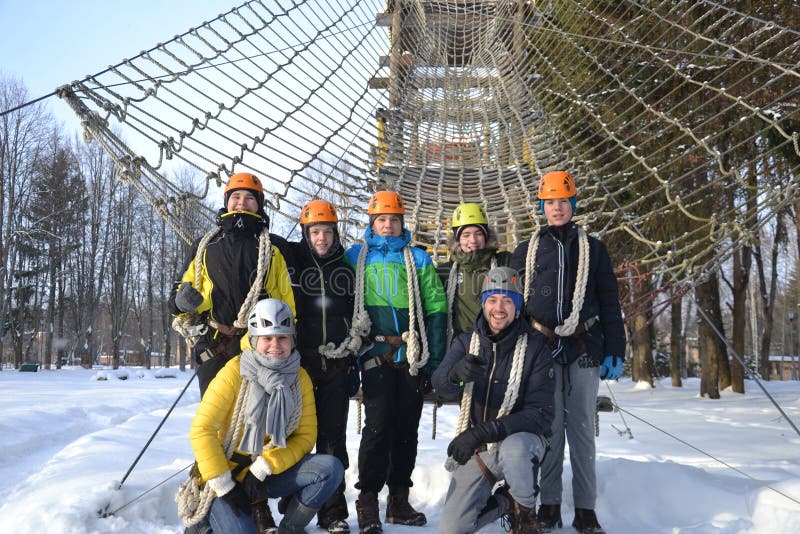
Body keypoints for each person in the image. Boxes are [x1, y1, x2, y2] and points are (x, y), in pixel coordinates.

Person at [509, 171, 626, 534]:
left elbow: (609, 300)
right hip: (541, 349)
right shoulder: (526, 251)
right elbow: (513, 304)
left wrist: (615, 348)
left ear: (573, 205)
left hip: (584, 345)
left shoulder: (593, 247)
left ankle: (586, 509)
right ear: (541, 207)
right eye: (550, 202)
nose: (557, 208)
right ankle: (550, 504)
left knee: (580, 430)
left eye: (563, 201)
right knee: (549, 429)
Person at [188, 298, 344, 534]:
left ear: (292, 339)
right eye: (267, 338)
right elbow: (202, 430)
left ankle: (289, 529)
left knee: (330, 469)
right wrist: (225, 485)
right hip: (224, 474)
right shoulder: (234, 372)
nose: (275, 345)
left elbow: (305, 436)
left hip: (264, 472)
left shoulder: (299, 377)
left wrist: (263, 467)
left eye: (282, 337)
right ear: (253, 340)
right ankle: (205, 522)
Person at [344, 190, 447, 534]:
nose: (388, 226)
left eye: (394, 220)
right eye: (381, 220)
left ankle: (399, 499)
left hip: (412, 356)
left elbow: (434, 309)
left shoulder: (417, 258)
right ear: (372, 223)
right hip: (374, 354)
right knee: (376, 428)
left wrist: (432, 361)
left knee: (406, 430)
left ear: (403, 223)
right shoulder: (356, 257)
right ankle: (368, 498)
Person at [432, 266, 555, 534]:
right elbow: (440, 386)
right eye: (492, 300)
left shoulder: (535, 347)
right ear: (484, 303)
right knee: (452, 529)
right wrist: (456, 375)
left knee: (514, 449)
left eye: (508, 300)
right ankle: (505, 503)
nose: (499, 308)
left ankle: (525, 515)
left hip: (523, 443)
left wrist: (482, 431)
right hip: (481, 448)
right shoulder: (466, 342)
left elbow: (541, 414)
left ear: (518, 306)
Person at [169, 172, 296, 396]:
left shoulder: (274, 248)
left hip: (261, 347)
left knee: (257, 420)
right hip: (214, 346)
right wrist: (180, 303)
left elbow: (286, 301)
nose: (242, 202)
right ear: (227, 201)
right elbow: (180, 291)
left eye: (250, 197)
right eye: (236, 196)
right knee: (216, 421)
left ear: (259, 204)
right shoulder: (206, 245)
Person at [288, 199, 360, 533]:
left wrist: (352, 362)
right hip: (300, 366)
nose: (321, 238)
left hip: (336, 365)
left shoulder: (346, 268)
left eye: (327, 232)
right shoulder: (294, 264)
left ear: (335, 233)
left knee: (333, 439)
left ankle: (332, 511)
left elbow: (356, 318)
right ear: (306, 233)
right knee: (297, 437)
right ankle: (293, 500)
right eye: (315, 231)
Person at [437, 202, 512, 346]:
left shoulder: (504, 262)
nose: (473, 240)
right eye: (466, 235)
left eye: (478, 234)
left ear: (486, 236)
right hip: (462, 342)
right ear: (458, 239)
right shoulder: (446, 272)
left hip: (499, 340)